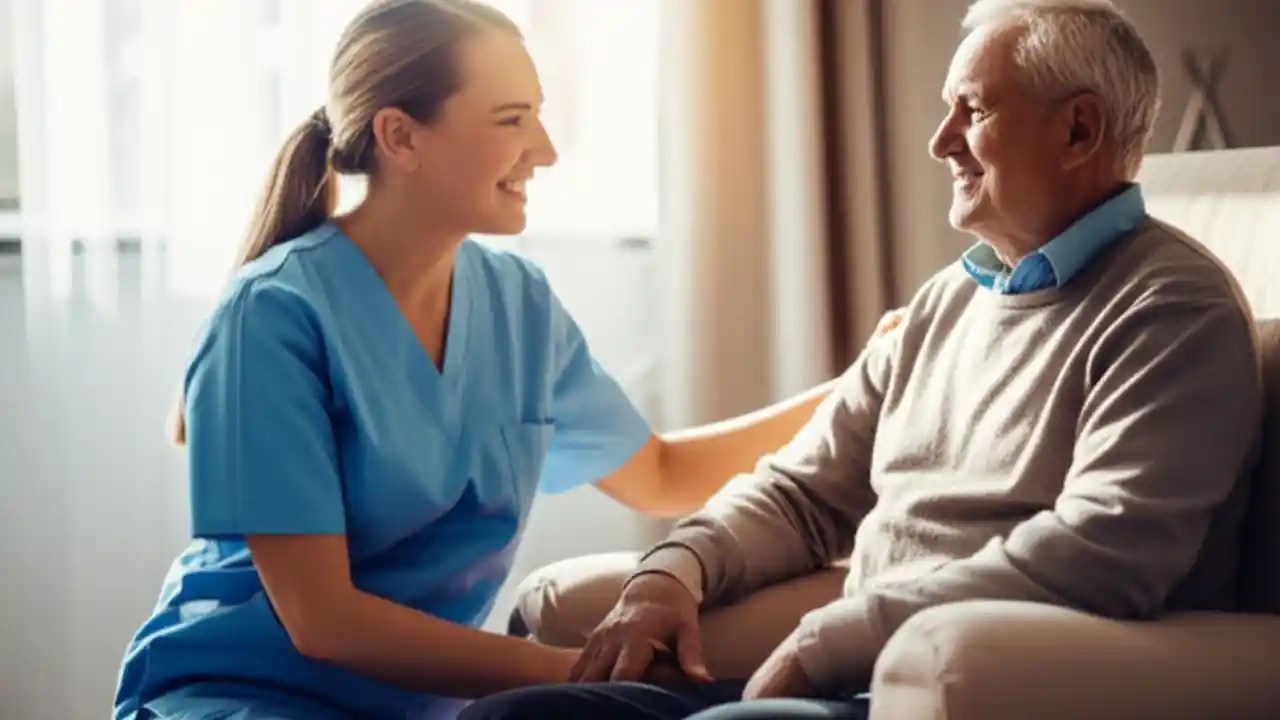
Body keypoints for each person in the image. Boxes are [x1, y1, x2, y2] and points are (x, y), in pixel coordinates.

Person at [460, 0, 1264, 718]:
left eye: (972, 110)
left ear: (1079, 130)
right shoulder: (947, 301)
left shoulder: (1171, 309)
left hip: (958, 678)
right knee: (509, 719)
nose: (940, 140)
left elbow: (1104, 551)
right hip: (848, 670)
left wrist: (834, 639)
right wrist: (673, 570)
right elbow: (798, 493)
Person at [111, 2, 840, 718]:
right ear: (400, 136)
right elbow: (322, 621)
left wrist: (867, 381)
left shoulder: (518, 303)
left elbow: (659, 474)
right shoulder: (271, 316)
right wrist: (580, 675)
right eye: (512, 119)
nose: (547, 149)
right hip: (243, 696)